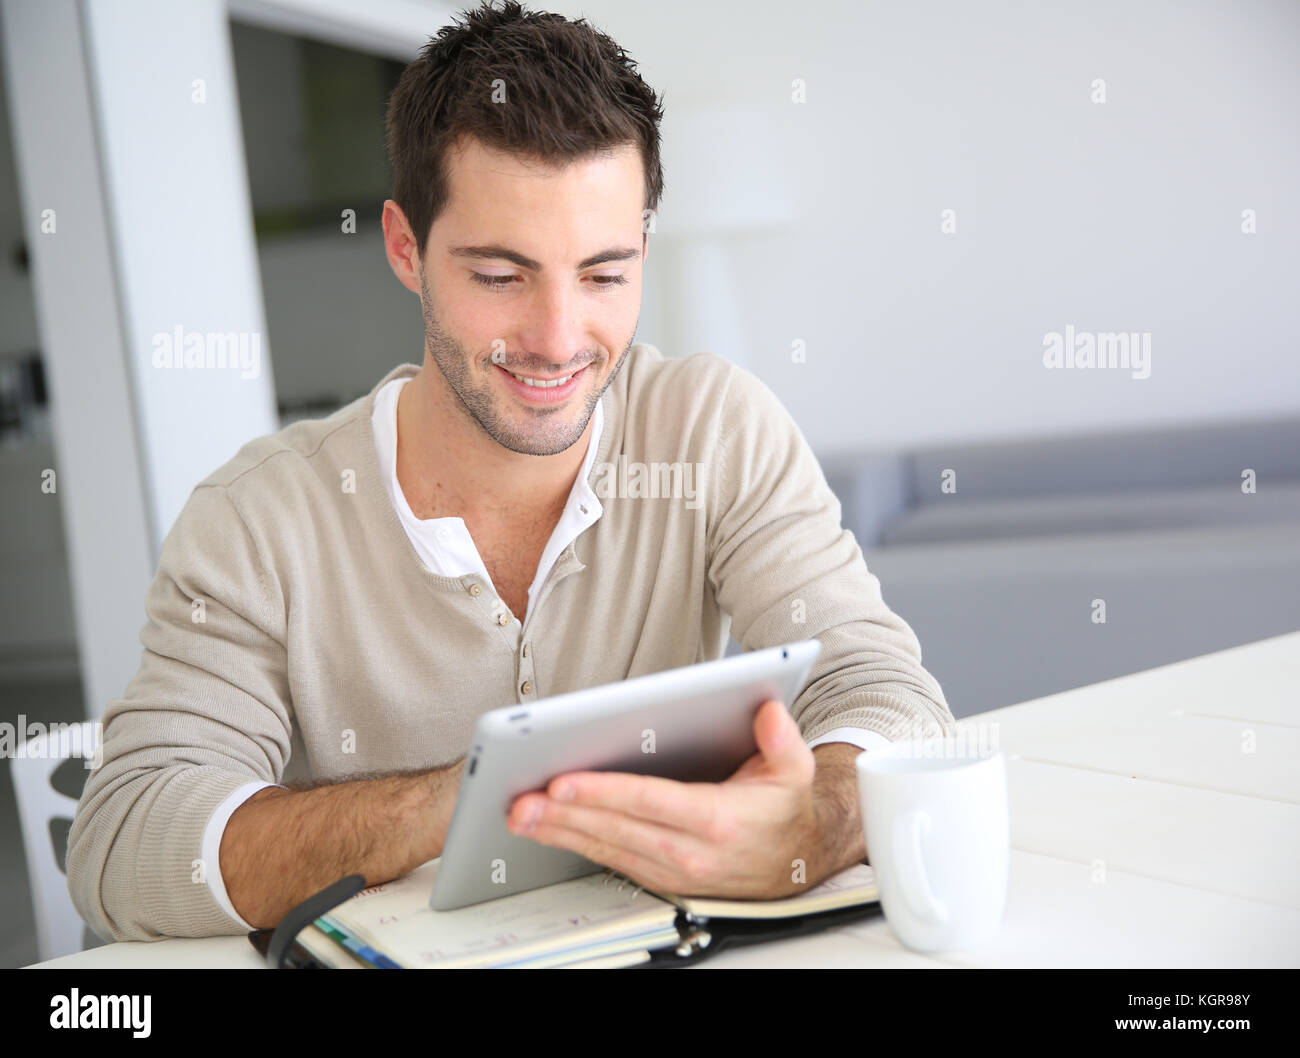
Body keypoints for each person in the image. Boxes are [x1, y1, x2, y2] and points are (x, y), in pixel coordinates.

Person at [68, 0, 954, 943]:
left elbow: (885, 688)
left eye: (605, 275)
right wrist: (464, 802)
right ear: (406, 247)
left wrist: (812, 820)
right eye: (500, 276)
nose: (560, 340)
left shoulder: (712, 431)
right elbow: (123, 841)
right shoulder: (258, 522)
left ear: (645, 250)